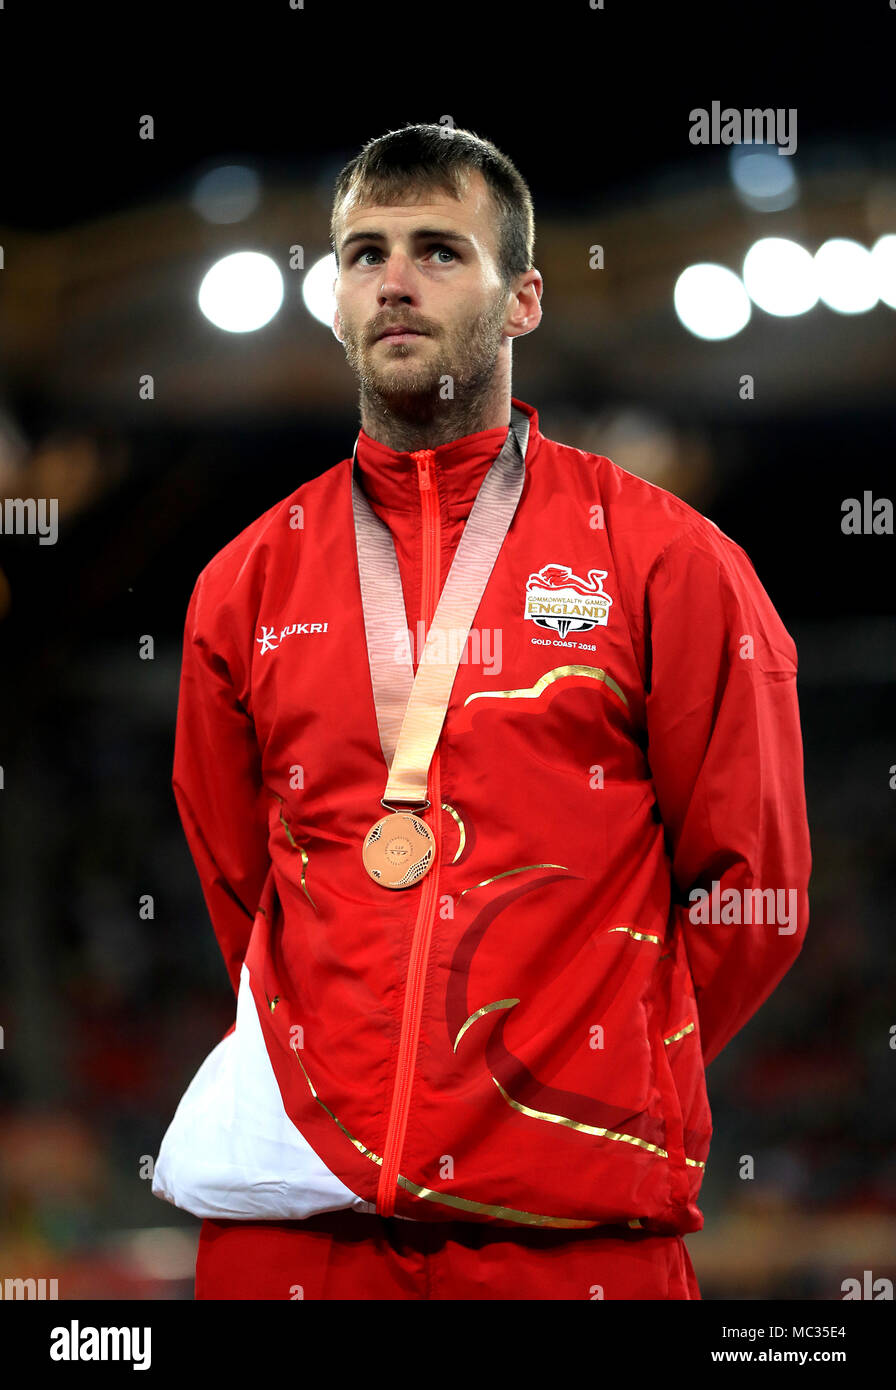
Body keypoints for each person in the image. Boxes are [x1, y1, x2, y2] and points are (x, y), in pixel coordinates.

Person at [152, 123, 812, 1300]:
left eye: (438, 251)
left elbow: (751, 891)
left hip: (569, 1237)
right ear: (336, 299)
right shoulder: (244, 582)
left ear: (523, 301)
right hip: (302, 1231)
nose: (394, 280)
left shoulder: (668, 561)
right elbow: (239, 888)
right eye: (364, 254)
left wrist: (592, 1080)